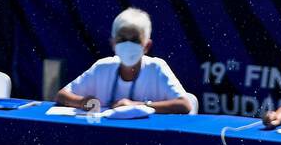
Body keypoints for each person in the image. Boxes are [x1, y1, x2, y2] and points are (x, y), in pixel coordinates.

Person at [55, 7, 192, 114]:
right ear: (113, 44)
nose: (128, 45)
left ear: (147, 46)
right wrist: (83, 102)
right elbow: (62, 95)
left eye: (134, 40)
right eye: (122, 39)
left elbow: (184, 104)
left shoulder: (156, 68)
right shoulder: (101, 67)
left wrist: (137, 106)